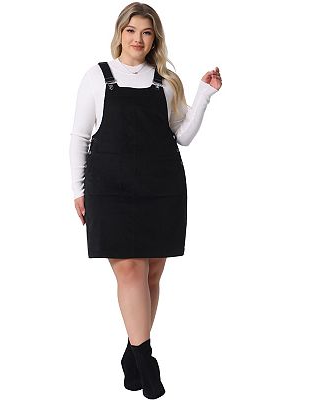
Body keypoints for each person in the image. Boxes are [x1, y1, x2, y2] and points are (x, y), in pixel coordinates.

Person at [69, 2, 222, 398]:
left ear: (155, 39)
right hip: (110, 188)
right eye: (131, 30)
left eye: (147, 32)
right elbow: (80, 136)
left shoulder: (165, 81)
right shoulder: (97, 76)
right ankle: (146, 359)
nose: (138, 39)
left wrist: (204, 94)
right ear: (120, 33)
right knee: (131, 271)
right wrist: (77, 190)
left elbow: (183, 136)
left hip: (160, 185)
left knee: (152, 274)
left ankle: (131, 352)